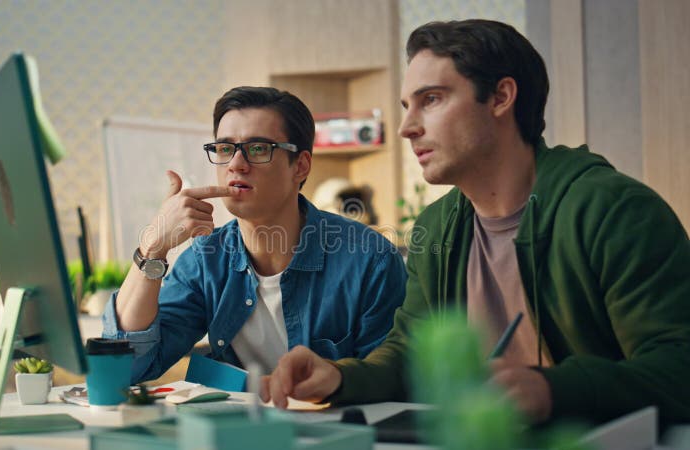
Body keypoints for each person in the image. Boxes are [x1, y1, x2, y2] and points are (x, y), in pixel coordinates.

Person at [261, 19, 690, 427]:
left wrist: (552, 389)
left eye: (431, 99)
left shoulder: (613, 210)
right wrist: (340, 377)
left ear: (501, 97)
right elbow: (410, 354)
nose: (407, 128)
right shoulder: (438, 226)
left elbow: (678, 365)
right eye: (407, 107)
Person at [102, 86, 407, 383]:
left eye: (258, 149)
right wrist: (153, 247)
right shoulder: (206, 261)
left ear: (300, 166)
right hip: (240, 417)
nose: (236, 164)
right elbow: (125, 368)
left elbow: (388, 382)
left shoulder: (370, 260)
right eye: (225, 149)